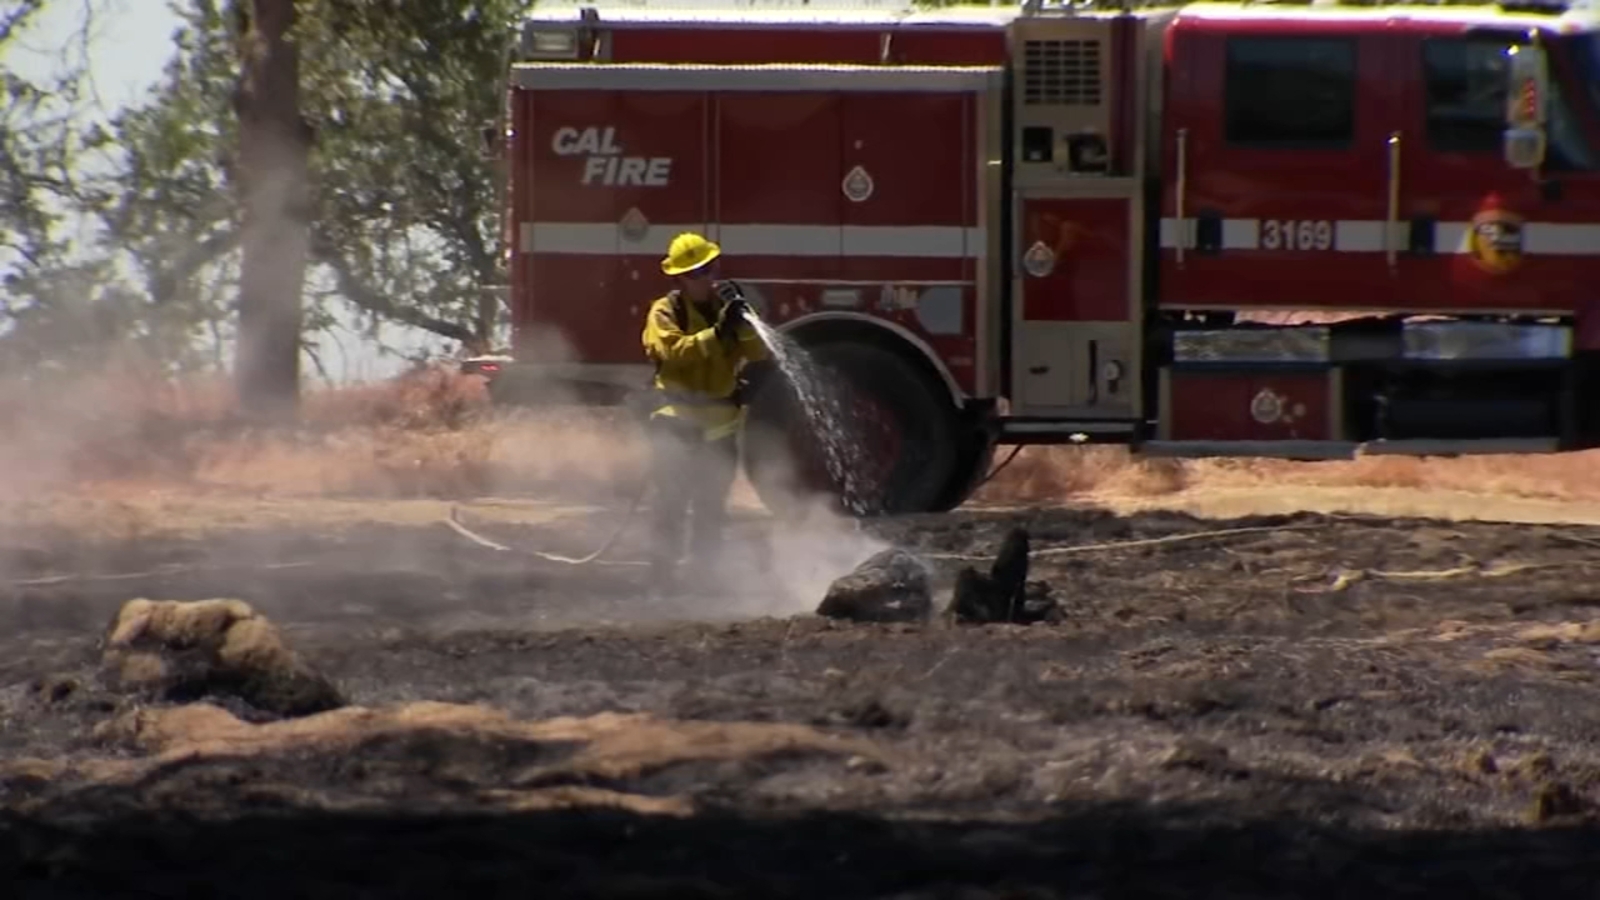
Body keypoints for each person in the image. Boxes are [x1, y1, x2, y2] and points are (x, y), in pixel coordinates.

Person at [640, 231, 772, 594]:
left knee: (711, 511)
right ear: (680, 278)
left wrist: (743, 321)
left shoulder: (725, 311)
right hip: (675, 426)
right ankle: (661, 583)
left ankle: (704, 582)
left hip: (720, 429)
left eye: (710, 268)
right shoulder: (665, 312)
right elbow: (675, 351)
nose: (707, 278)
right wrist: (718, 333)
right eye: (697, 272)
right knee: (670, 508)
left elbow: (759, 353)